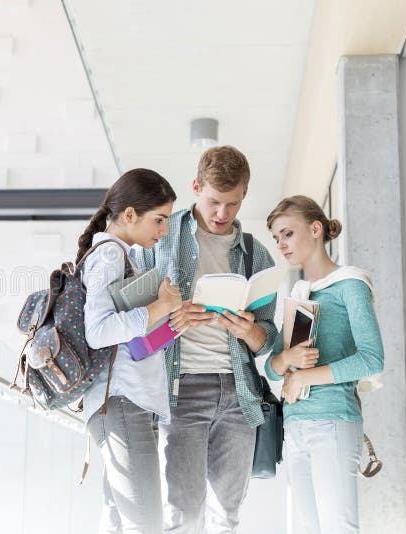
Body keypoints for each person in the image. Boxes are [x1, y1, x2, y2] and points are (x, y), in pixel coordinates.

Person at [137, 146, 278, 533]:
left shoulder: (256, 256)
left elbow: (268, 340)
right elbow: (132, 330)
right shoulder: (160, 240)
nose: (222, 214)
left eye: (232, 204)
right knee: (183, 513)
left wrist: (250, 330)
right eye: (214, 201)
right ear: (196, 187)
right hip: (182, 392)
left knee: (226, 515)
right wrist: (171, 320)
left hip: (239, 394)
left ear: (244, 195)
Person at [265, 195, 384, 534]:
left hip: (332, 421)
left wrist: (304, 377)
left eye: (287, 233)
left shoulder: (350, 285)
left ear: (315, 229)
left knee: (339, 528)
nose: (281, 244)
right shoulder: (300, 293)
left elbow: (372, 358)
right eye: (276, 238)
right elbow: (273, 369)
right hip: (295, 427)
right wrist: (287, 361)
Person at [79, 168, 182, 534]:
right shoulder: (109, 256)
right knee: (145, 523)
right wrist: (161, 307)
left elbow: (132, 347)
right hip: (122, 400)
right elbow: (99, 331)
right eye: (159, 219)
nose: (164, 230)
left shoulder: (122, 256)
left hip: (126, 400)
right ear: (129, 215)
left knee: (122, 521)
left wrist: (172, 323)